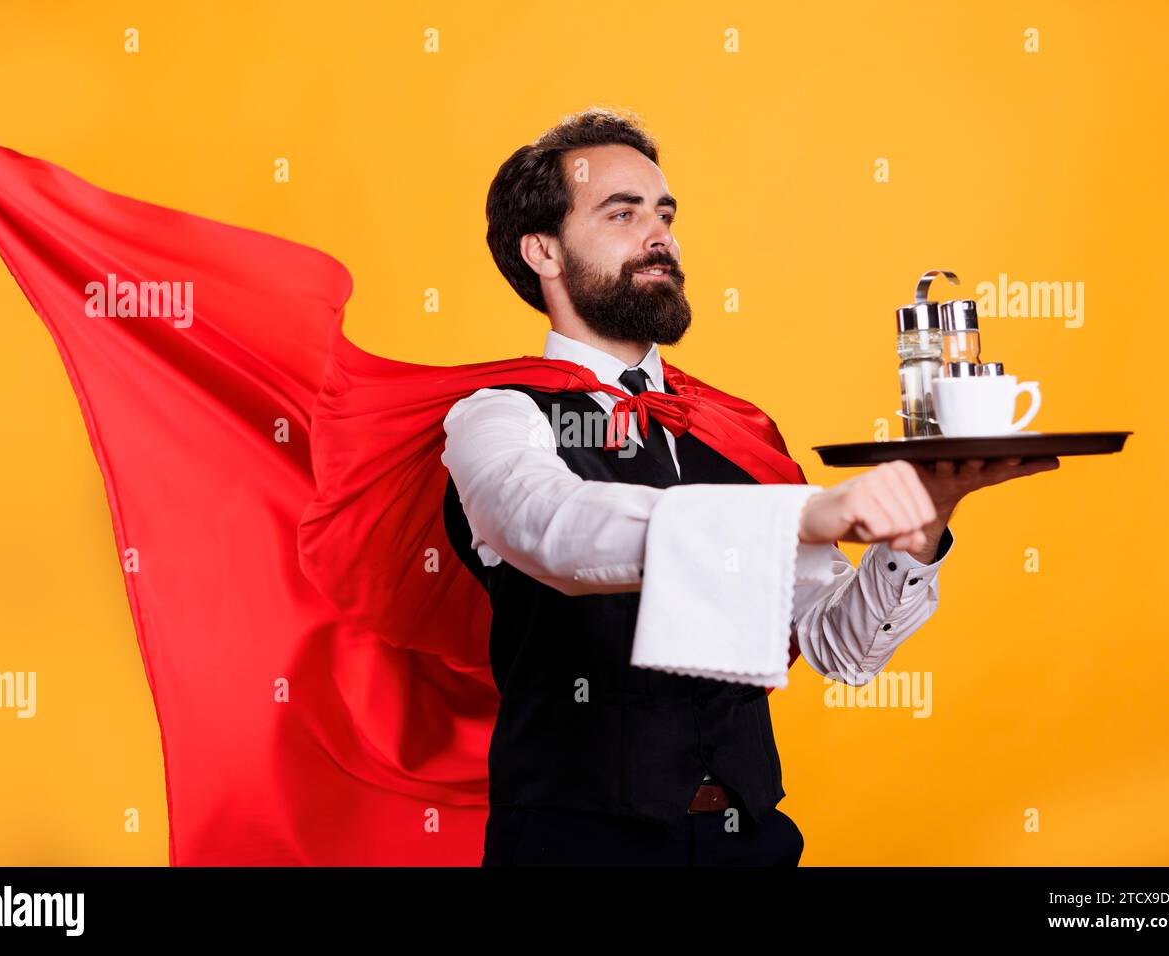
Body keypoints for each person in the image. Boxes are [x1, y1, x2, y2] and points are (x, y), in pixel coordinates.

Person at [439, 108, 1059, 866]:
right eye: (623, 212)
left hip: (749, 842)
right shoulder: (496, 417)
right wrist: (807, 512)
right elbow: (553, 529)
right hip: (575, 845)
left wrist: (928, 512)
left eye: (664, 213)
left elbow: (841, 646)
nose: (658, 235)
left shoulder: (733, 431)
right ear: (543, 250)